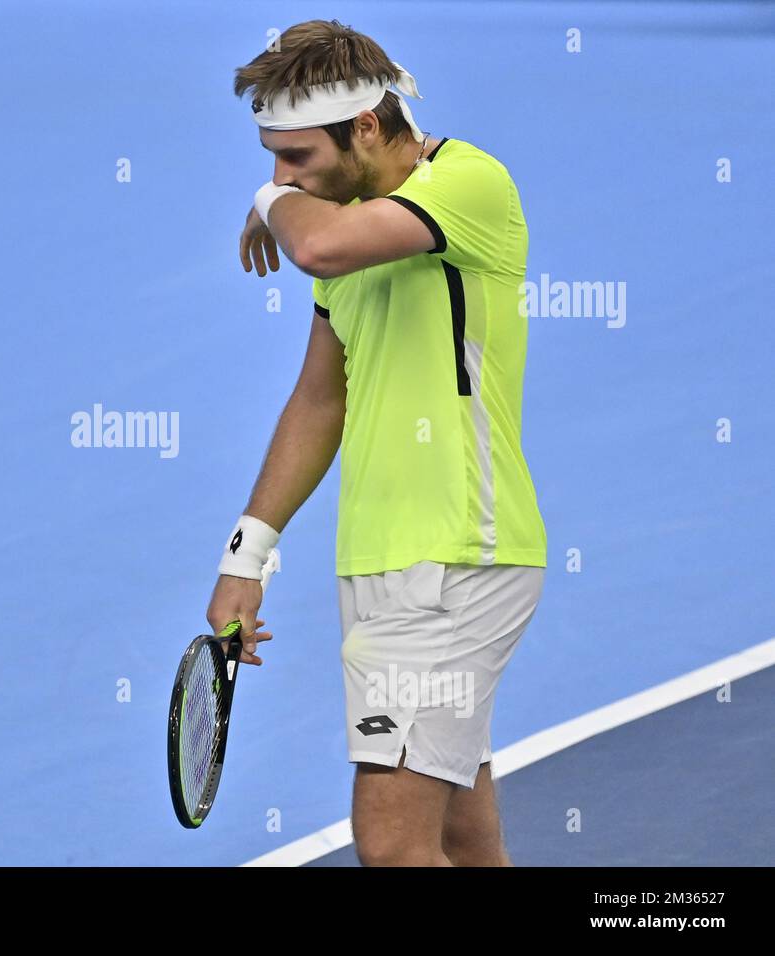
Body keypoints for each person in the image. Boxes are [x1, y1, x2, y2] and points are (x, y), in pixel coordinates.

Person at [207, 19, 547, 867]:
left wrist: (269, 204)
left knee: (392, 847)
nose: (282, 177)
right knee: (460, 834)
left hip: (456, 559)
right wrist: (247, 556)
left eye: (297, 158)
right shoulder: (349, 226)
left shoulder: (470, 183)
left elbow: (315, 246)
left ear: (367, 127)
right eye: (269, 159)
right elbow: (321, 399)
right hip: (381, 563)